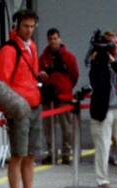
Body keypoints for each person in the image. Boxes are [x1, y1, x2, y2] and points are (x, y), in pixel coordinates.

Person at [0, 8, 43, 188]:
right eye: (25, 26)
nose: (29, 30)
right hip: (20, 108)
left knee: (29, 156)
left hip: (33, 104)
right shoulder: (9, 50)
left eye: (32, 26)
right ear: (17, 26)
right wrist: (12, 107)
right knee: (18, 156)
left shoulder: (32, 47)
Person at [87, 31, 117, 188]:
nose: (114, 46)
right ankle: (102, 180)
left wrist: (114, 62)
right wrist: (98, 62)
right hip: (104, 110)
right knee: (103, 145)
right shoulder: (98, 61)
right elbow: (96, 82)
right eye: (111, 43)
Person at [39, 28, 80, 163]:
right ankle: (51, 152)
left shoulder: (69, 57)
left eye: (55, 38)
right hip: (47, 95)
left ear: (60, 39)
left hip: (63, 95)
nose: (53, 41)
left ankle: (66, 153)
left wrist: (66, 87)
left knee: (66, 127)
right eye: (51, 39)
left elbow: (74, 76)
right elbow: (38, 74)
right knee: (48, 127)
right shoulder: (43, 58)